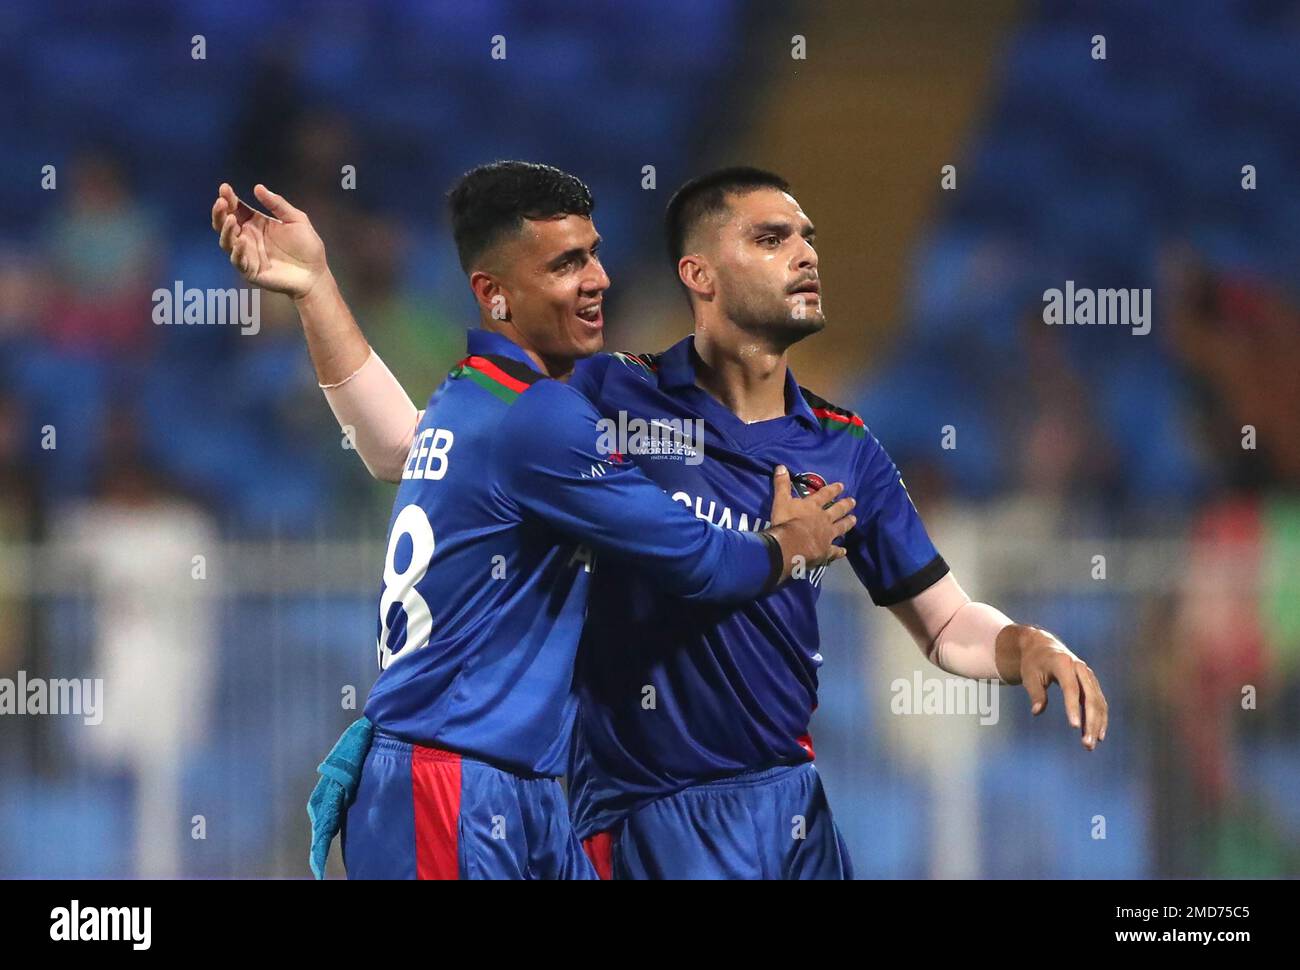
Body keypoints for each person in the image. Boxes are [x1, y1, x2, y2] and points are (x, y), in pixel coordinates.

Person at [303, 166, 1110, 880]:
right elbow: (411, 447)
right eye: (770, 237)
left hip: (792, 802)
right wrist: (316, 291)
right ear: (700, 274)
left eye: (807, 236)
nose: (806, 254)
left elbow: (945, 623)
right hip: (649, 813)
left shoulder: (846, 447)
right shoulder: (602, 398)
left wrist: (1022, 645)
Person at [210, 162, 854, 879]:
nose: (597, 279)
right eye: (566, 264)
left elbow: (392, 443)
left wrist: (315, 287)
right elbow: (701, 562)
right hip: (453, 783)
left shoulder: (471, 394)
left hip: (513, 787)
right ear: (495, 295)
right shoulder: (541, 418)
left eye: (595, 253)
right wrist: (795, 541)